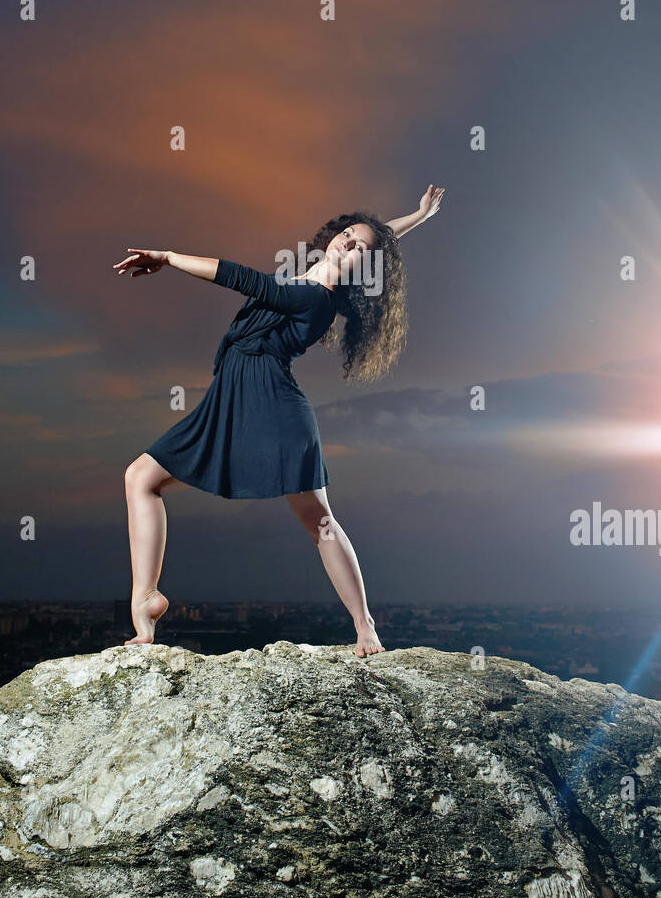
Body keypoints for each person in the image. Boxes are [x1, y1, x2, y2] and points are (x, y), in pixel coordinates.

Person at [113, 185, 445, 657]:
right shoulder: (317, 270)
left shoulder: (317, 298)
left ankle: (364, 625)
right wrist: (415, 217)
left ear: (366, 268)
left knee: (320, 522)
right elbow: (378, 239)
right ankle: (145, 601)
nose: (347, 244)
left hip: (273, 407)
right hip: (231, 397)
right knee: (140, 477)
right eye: (345, 235)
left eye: (358, 249)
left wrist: (168, 256)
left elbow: (245, 280)